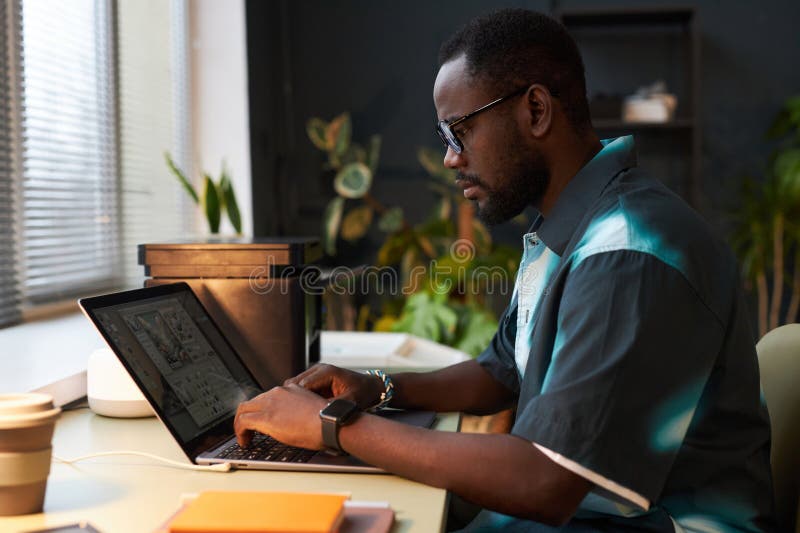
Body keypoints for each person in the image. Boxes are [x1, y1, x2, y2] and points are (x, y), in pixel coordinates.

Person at [235, 9, 775, 531]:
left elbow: (545, 478)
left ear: (536, 110)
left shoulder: (627, 252)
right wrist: (379, 388)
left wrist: (332, 428)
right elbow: (501, 372)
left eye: (458, 131)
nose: (449, 157)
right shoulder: (573, 222)